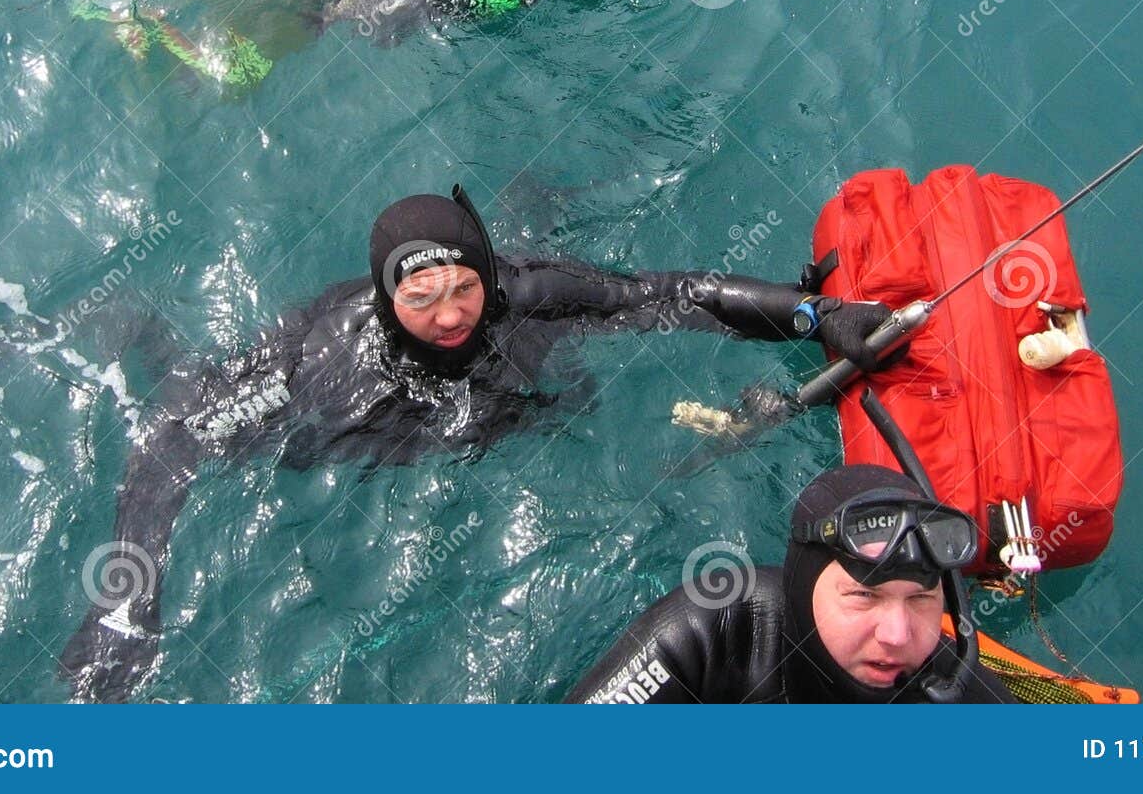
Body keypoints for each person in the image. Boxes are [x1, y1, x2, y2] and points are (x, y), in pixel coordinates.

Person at [59, 186, 893, 702]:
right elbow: (173, 437)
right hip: (367, 436)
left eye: (466, 286)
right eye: (423, 296)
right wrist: (129, 601)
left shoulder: (524, 292)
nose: (453, 313)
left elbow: (674, 293)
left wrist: (812, 316)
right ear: (388, 299)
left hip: (517, 405)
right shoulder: (319, 360)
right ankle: (119, 324)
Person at [566, 463, 1017, 703]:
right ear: (803, 588)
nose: (898, 636)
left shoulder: (951, 687)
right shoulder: (713, 631)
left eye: (920, 599)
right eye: (864, 595)